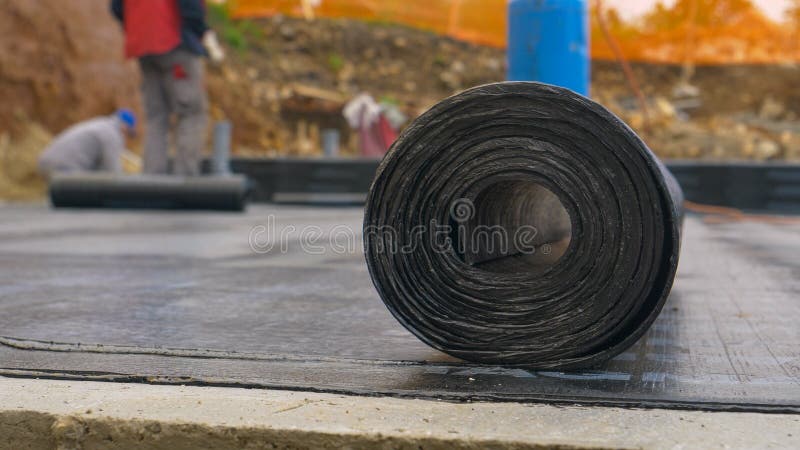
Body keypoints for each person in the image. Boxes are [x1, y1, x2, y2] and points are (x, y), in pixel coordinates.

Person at [111, 0, 209, 176]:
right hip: (175, 41)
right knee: (190, 113)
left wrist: (137, 26)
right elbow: (192, 7)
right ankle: (185, 179)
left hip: (143, 46)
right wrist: (199, 31)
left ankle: (152, 178)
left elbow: (116, 7)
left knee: (156, 117)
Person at [38, 110, 137, 177]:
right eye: (128, 134)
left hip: (46, 162)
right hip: (65, 168)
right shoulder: (112, 134)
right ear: (125, 127)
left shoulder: (101, 124)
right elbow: (113, 172)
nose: (125, 138)